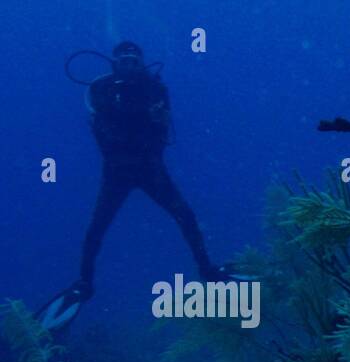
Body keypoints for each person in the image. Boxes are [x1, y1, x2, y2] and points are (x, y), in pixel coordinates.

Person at [37, 41, 229, 332]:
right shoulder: (101, 89)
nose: (129, 65)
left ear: (141, 62)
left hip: (151, 169)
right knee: (95, 231)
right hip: (117, 172)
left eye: (134, 60)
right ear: (114, 63)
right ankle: (83, 284)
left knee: (186, 217)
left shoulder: (156, 89)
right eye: (123, 60)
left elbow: (162, 132)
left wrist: (153, 117)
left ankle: (207, 269)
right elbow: (102, 124)